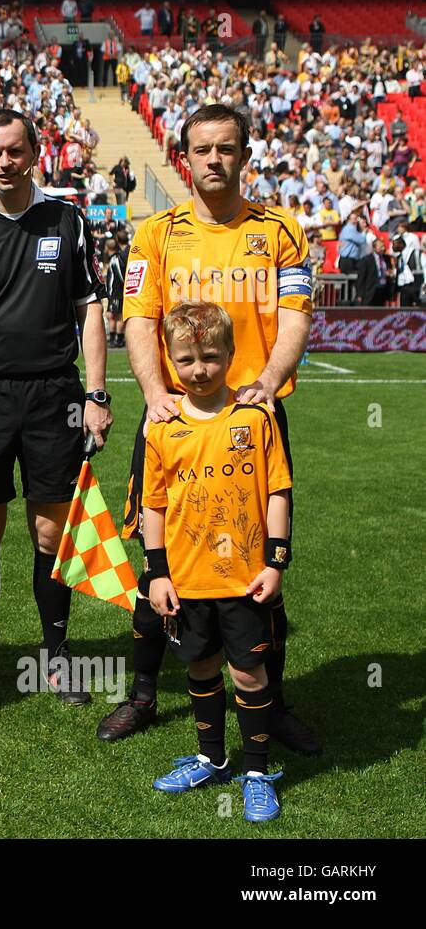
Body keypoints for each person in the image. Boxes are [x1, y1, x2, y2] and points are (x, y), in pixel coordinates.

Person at [105, 104, 320, 756]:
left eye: (227, 148)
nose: (215, 160)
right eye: (203, 149)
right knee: (158, 553)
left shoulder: (280, 230)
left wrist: (269, 380)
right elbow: (139, 320)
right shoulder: (157, 234)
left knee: (258, 565)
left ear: (244, 154)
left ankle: (270, 704)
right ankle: (143, 693)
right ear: (185, 157)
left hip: (250, 420)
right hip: (173, 415)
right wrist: (153, 394)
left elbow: (293, 319)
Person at [0, 109, 112, 703]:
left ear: (35, 151)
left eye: (14, 150)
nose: (4, 162)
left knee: (49, 530)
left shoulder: (67, 217)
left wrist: (96, 393)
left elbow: (89, 306)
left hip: (53, 394)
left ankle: (55, 657)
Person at [142, 301, 290, 822]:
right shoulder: (160, 427)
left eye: (210, 356)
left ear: (231, 354)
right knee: (201, 667)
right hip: (186, 581)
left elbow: (277, 492)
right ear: (169, 359)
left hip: (244, 579)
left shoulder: (255, 417)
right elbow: (153, 506)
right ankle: (211, 757)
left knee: (248, 675)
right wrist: (157, 573)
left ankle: (256, 770)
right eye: (185, 360)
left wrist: (275, 562)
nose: (198, 369)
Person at [355, 238, 391, 305]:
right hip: (370, 291)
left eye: (383, 246)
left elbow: (389, 271)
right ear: (374, 248)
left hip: (382, 290)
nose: (383, 249)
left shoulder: (387, 259)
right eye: (380, 247)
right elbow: (361, 278)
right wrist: (359, 294)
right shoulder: (366, 260)